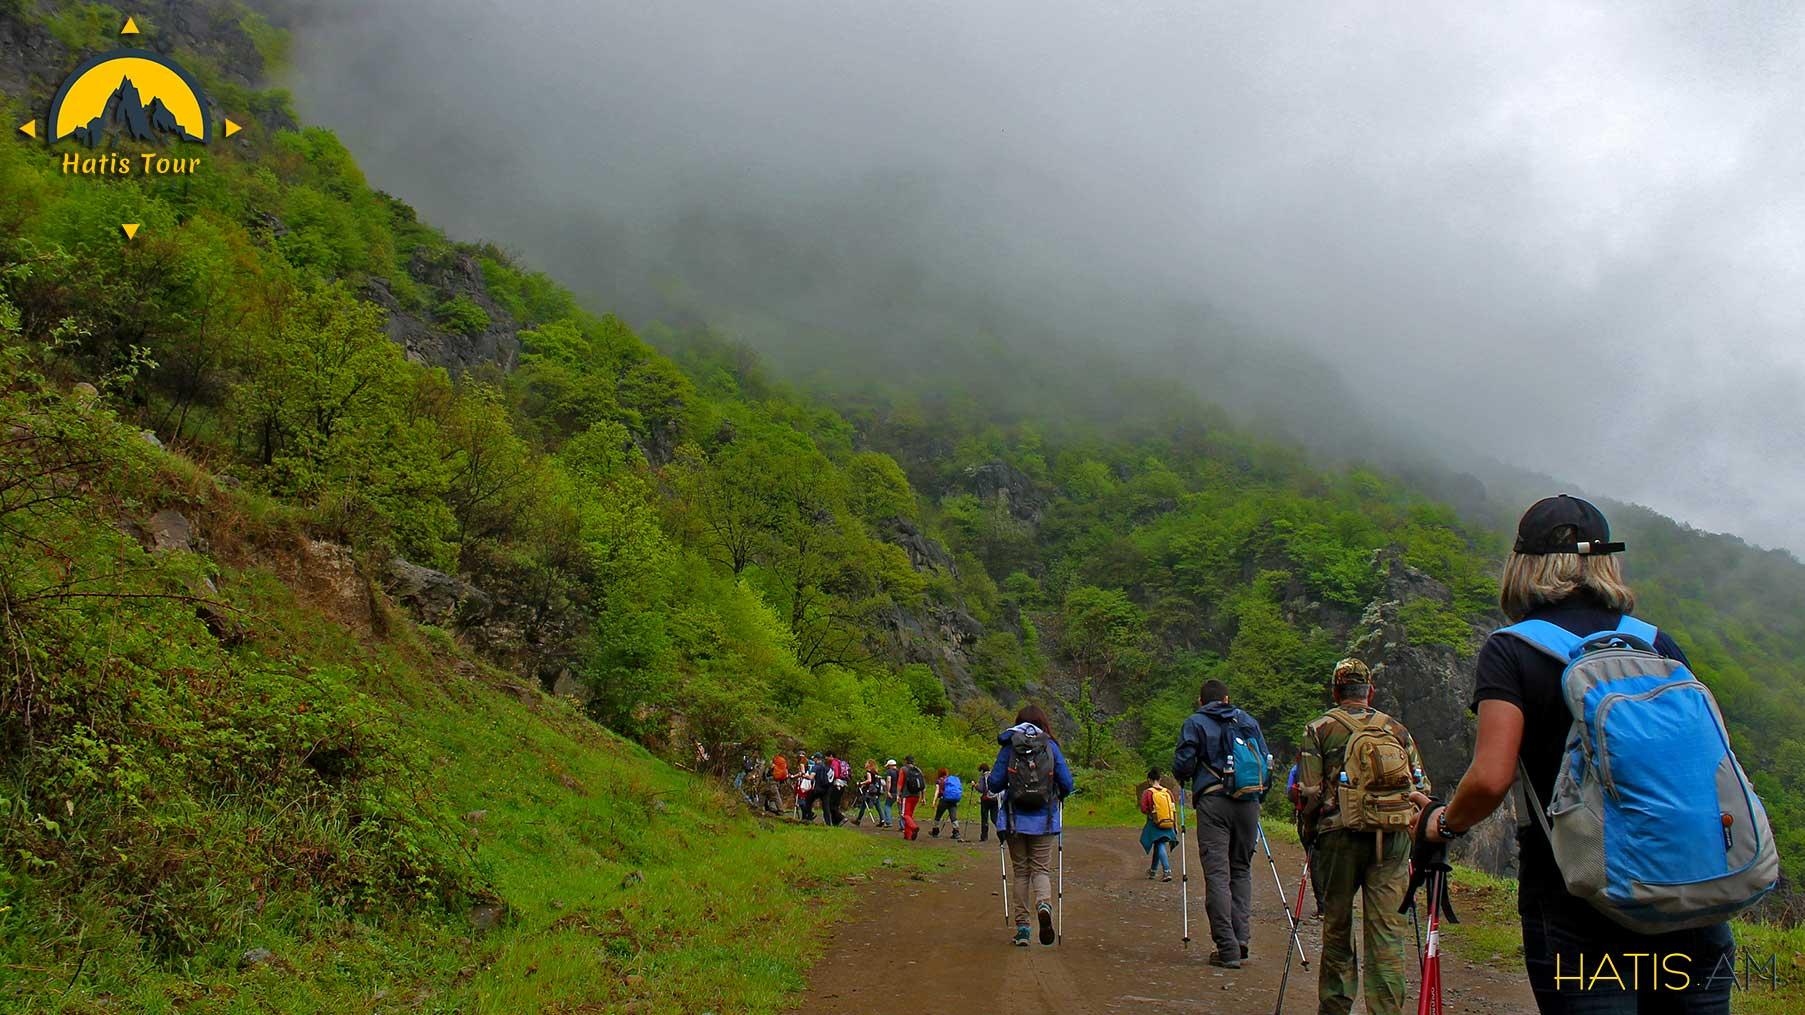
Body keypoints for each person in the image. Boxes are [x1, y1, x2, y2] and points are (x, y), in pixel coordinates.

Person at [1413, 496, 1739, 1014]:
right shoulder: (1656, 644)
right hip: (1688, 899)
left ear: (1524, 564)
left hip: (1579, 904)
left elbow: (1491, 778)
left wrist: (1442, 826)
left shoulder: (1512, 649)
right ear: (1606, 560)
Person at [1297, 658, 1430, 1015]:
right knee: (1387, 930)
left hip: (1339, 837)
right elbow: (1421, 787)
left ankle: (1336, 1006)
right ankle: (1386, 1010)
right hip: (1392, 837)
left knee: (1338, 925)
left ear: (1336, 691)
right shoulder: (1396, 729)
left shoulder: (1319, 728)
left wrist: (1309, 828)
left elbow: (1309, 793)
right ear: (1369, 691)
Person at [1173, 678, 1271, 969]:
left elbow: (1183, 765)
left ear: (1201, 701)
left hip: (1213, 803)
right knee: (1241, 870)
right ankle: (1241, 940)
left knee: (1217, 873)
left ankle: (1226, 946)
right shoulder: (1247, 721)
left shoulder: (1195, 722)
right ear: (1227, 698)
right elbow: (1265, 761)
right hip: (1248, 803)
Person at [987, 704, 1074, 946]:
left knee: (1022, 872)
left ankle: (1023, 929)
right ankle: (1044, 904)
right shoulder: (1050, 746)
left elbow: (994, 783)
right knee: (1040, 869)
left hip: (1014, 819)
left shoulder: (1009, 745)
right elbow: (1067, 782)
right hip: (1044, 819)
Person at [1139, 767, 1178, 882]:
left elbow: (1143, 808)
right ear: (1160, 779)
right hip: (1169, 822)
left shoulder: (1148, 792)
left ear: (1149, 780)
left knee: (1159, 844)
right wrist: (1175, 825)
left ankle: (1167, 871)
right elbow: (1173, 809)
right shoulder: (1168, 792)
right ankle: (1153, 871)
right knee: (1158, 843)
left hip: (1155, 823)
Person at [897, 755, 926, 840]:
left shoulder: (903, 769)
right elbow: (923, 785)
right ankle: (907, 835)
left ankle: (914, 827)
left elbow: (900, 783)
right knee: (909, 815)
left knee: (904, 815)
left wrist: (898, 795)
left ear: (906, 761)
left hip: (906, 795)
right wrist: (923, 798)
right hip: (916, 796)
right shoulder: (918, 770)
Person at [930, 766, 963, 839]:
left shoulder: (939, 781)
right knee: (953, 817)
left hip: (943, 800)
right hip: (953, 800)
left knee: (938, 816)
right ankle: (956, 832)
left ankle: (935, 831)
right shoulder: (949, 780)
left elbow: (937, 791)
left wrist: (934, 801)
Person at [976, 762, 999, 842]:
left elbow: (981, 789)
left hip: (986, 800)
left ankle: (984, 836)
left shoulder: (983, 777)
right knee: (994, 818)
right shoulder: (993, 775)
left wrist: (975, 785)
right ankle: (1003, 832)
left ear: (982, 770)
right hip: (995, 799)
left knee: (985, 818)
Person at [824, 750, 848, 826]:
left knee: (831, 804)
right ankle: (836, 823)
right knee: (835, 804)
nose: (826, 758)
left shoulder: (834, 763)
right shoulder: (839, 762)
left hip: (837, 784)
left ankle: (841, 817)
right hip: (842, 784)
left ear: (831, 756)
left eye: (827, 757)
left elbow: (836, 774)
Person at [882, 758, 900, 828]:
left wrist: (888, 791)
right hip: (900, 792)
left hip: (892, 791)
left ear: (890, 765)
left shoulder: (889, 772)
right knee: (901, 809)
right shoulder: (900, 771)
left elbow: (889, 781)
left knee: (887, 806)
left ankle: (888, 822)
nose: (888, 767)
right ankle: (902, 826)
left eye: (888, 766)